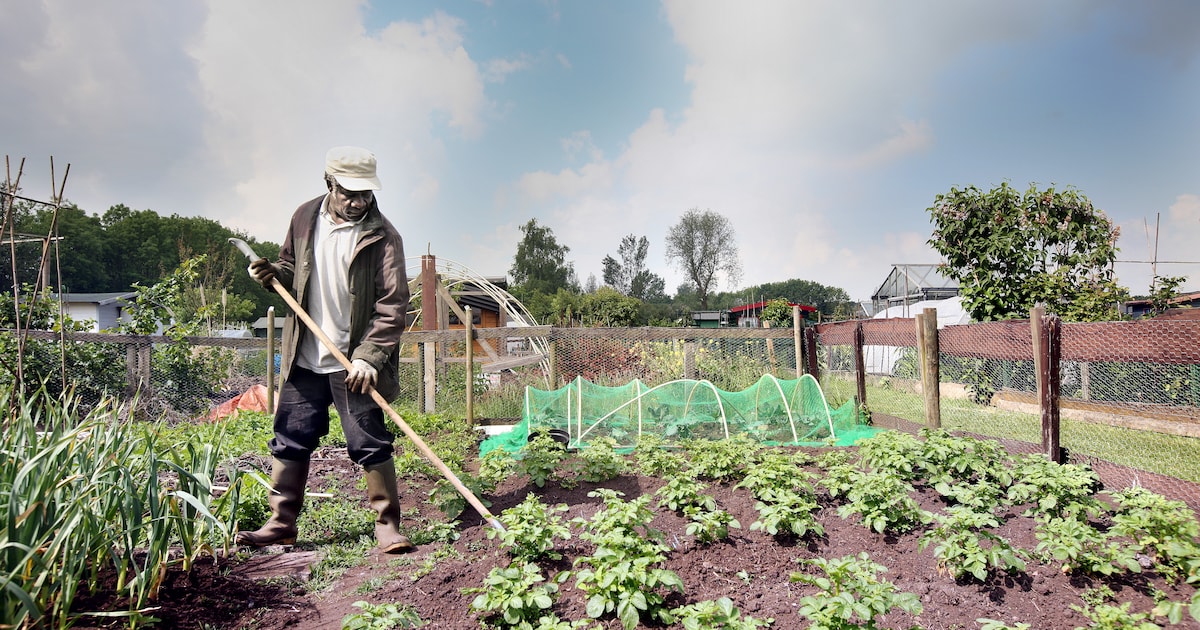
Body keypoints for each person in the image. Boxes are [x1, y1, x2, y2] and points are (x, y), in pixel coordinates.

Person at [237, 146, 414, 554]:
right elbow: (288, 269)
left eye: (366, 194)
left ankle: (387, 525)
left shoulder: (383, 235)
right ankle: (282, 523)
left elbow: (393, 305)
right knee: (291, 436)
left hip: (351, 359)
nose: (358, 203)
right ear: (329, 183)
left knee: (368, 440)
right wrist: (269, 274)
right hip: (305, 354)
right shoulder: (304, 218)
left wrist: (369, 357)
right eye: (349, 193)